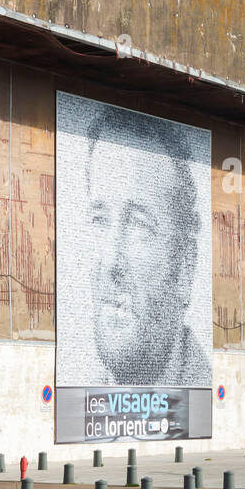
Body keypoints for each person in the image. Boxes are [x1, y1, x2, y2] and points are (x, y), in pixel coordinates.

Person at [83, 106, 210, 395]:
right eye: (100, 220)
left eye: (140, 225)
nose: (112, 261)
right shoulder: (86, 386)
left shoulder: (200, 384)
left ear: (186, 266)